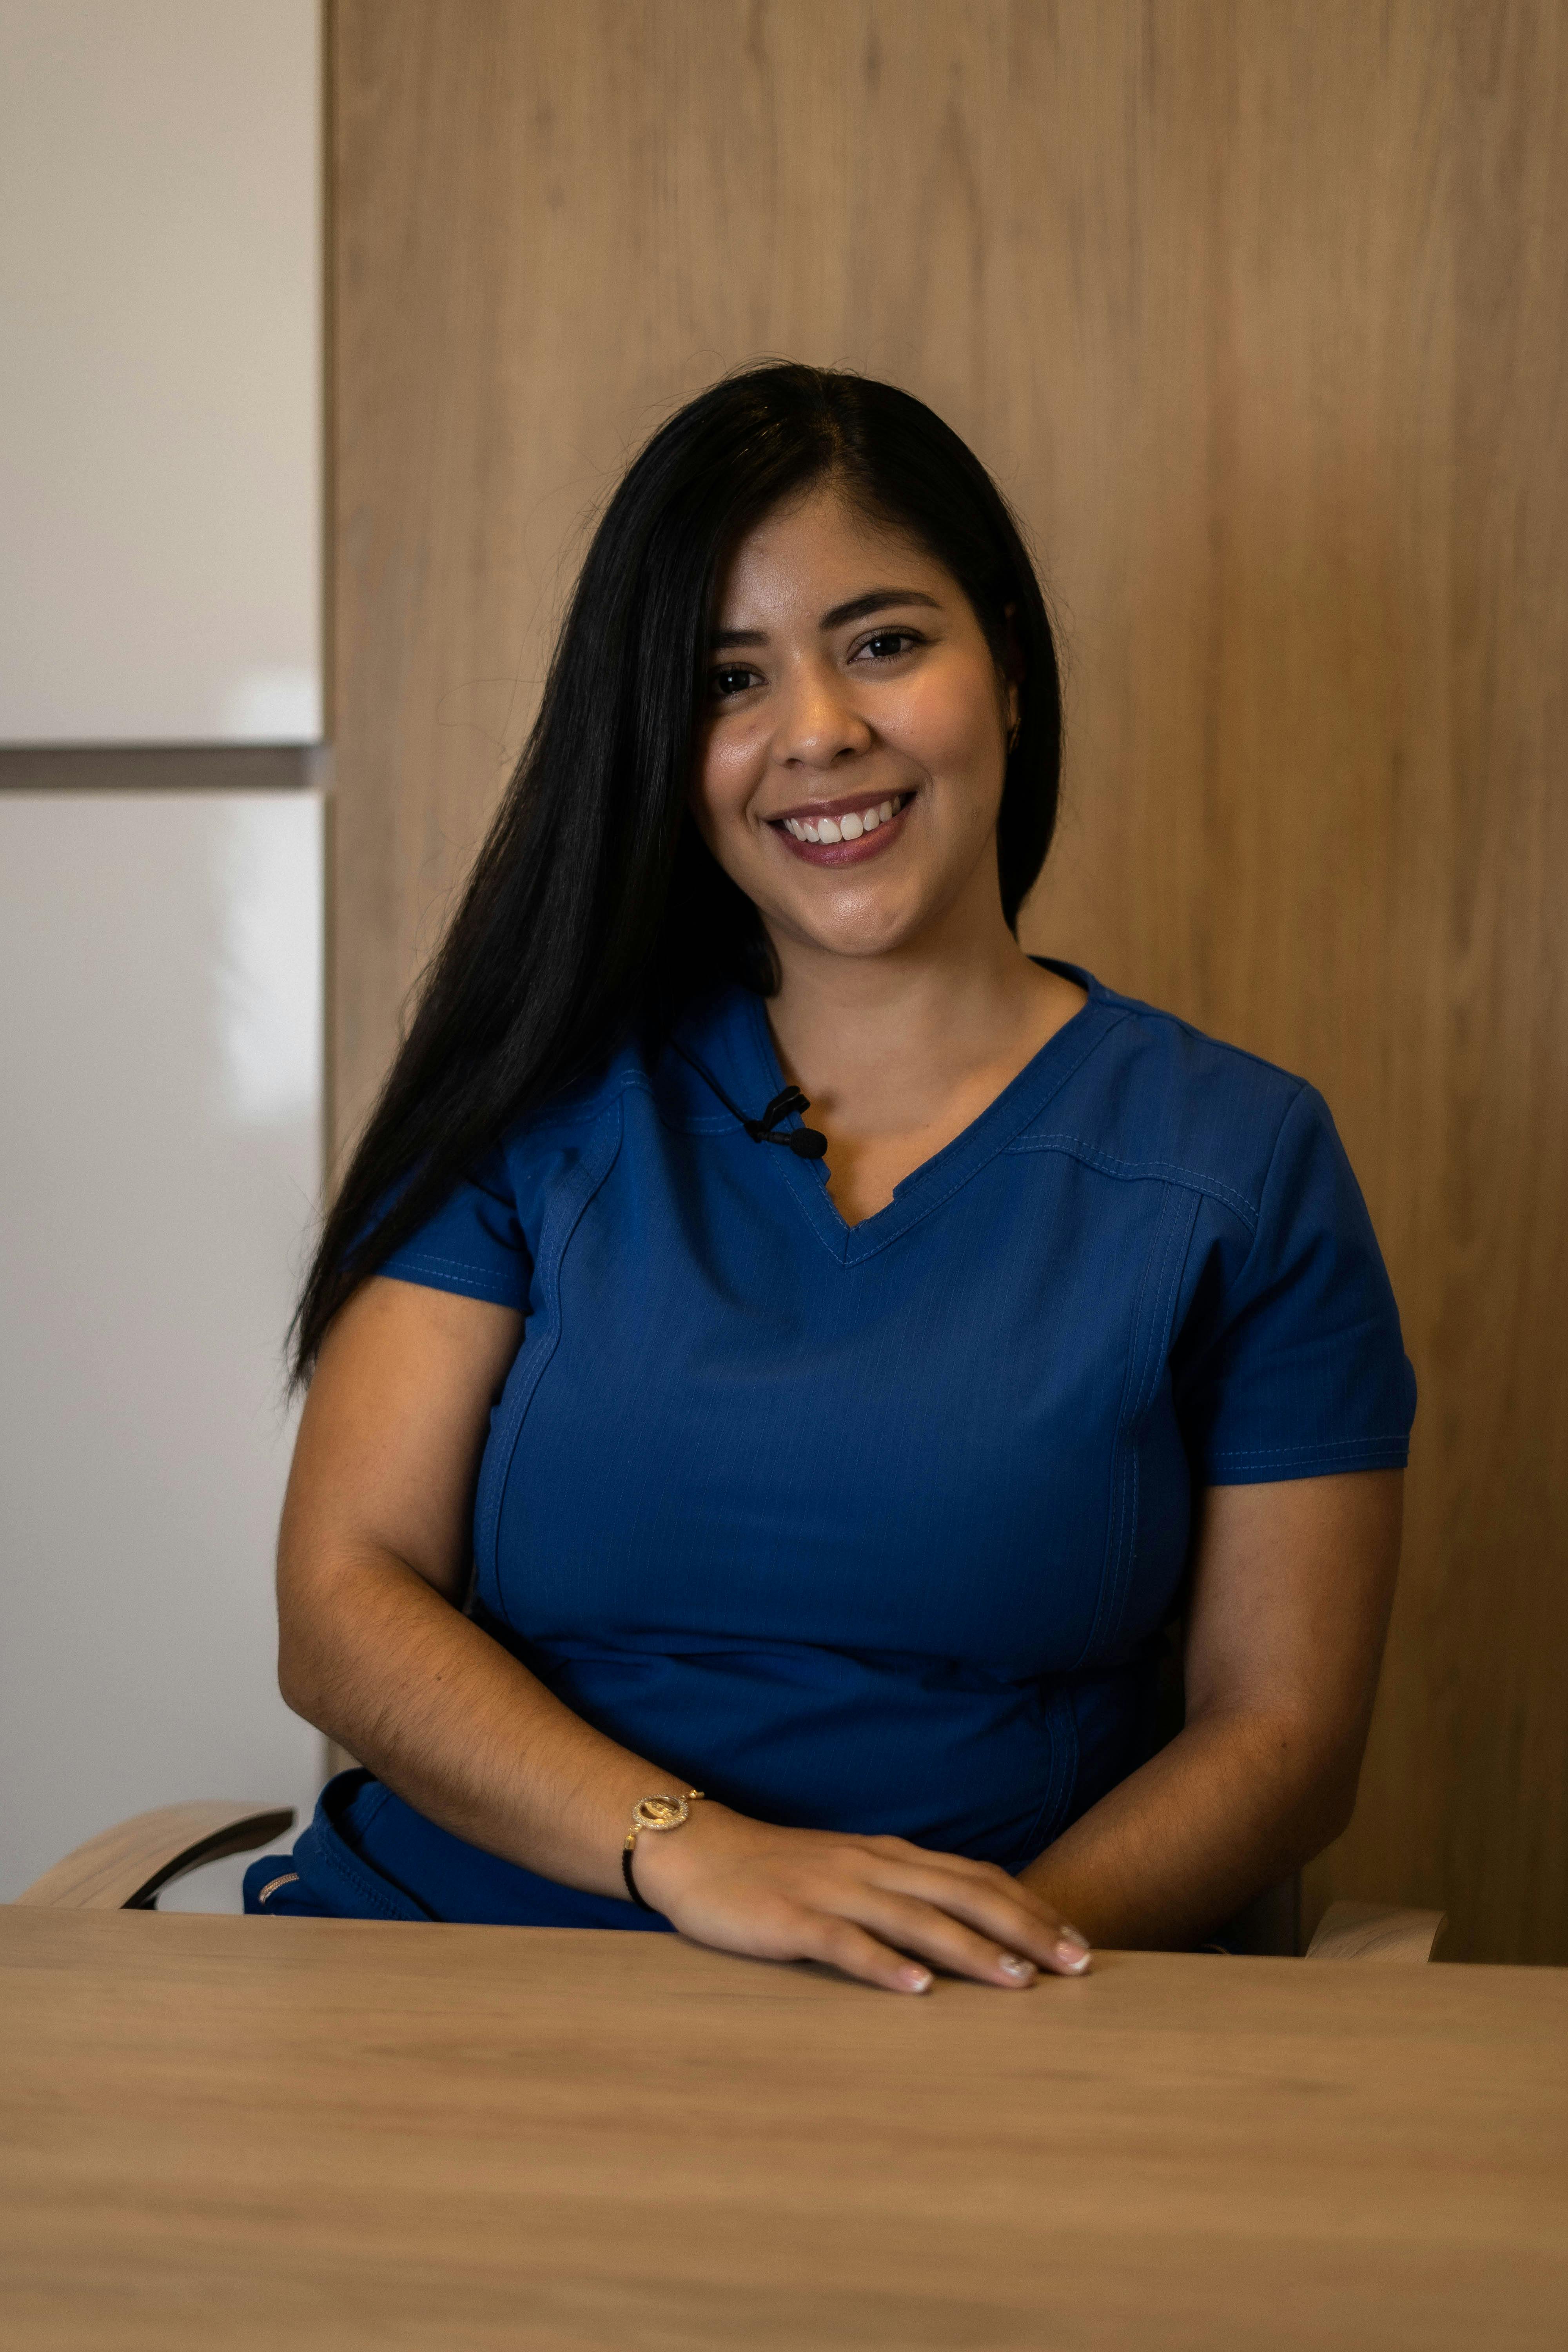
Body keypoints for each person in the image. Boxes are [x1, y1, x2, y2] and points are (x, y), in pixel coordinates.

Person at [247, 365, 1415, 1993]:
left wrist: (960, 1970)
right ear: (664, 747)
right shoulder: (539, 1110)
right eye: (729, 679)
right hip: (446, 1978)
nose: (818, 732)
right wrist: (697, 1853)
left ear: (1004, 661)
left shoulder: (1237, 1159)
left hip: (971, 2040)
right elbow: (343, 1599)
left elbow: (1280, 1736)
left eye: (881, 642)